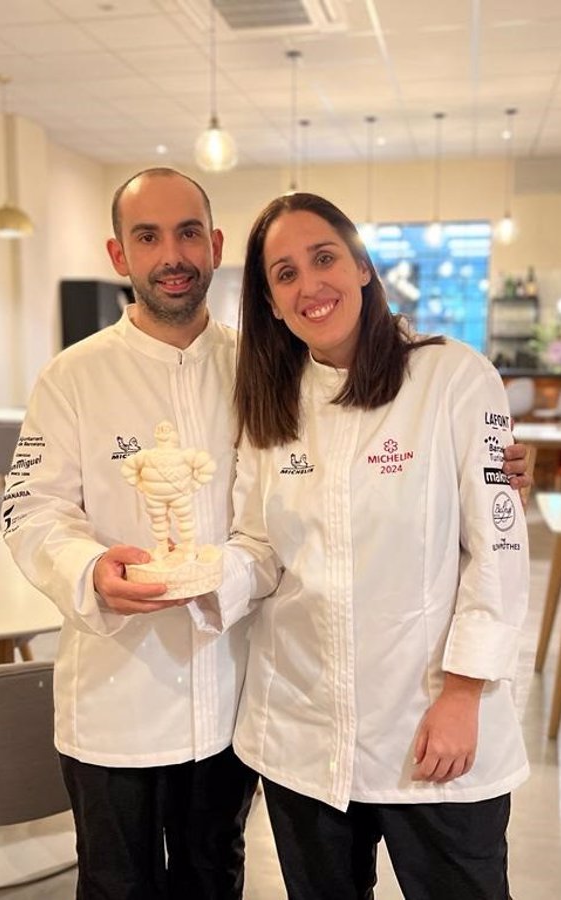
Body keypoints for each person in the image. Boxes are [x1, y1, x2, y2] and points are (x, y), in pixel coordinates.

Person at [3, 168, 533, 900]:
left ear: (215, 246)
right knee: (115, 885)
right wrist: (92, 569)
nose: (173, 253)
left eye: (189, 232)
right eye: (148, 236)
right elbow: (33, 510)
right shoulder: (81, 378)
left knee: (215, 876)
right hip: (143, 700)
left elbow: (488, 544)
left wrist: (496, 473)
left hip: (245, 698)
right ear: (119, 255)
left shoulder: (297, 371)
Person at [202, 191, 531, 900]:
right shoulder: (271, 399)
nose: (309, 285)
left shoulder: (453, 377)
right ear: (270, 300)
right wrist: (197, 580)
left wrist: (465, 692)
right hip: (302, 732)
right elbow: (258, 547)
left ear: (361, 267)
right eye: (284, 273)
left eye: (323, 258)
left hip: (429, 723)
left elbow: (499, 552)